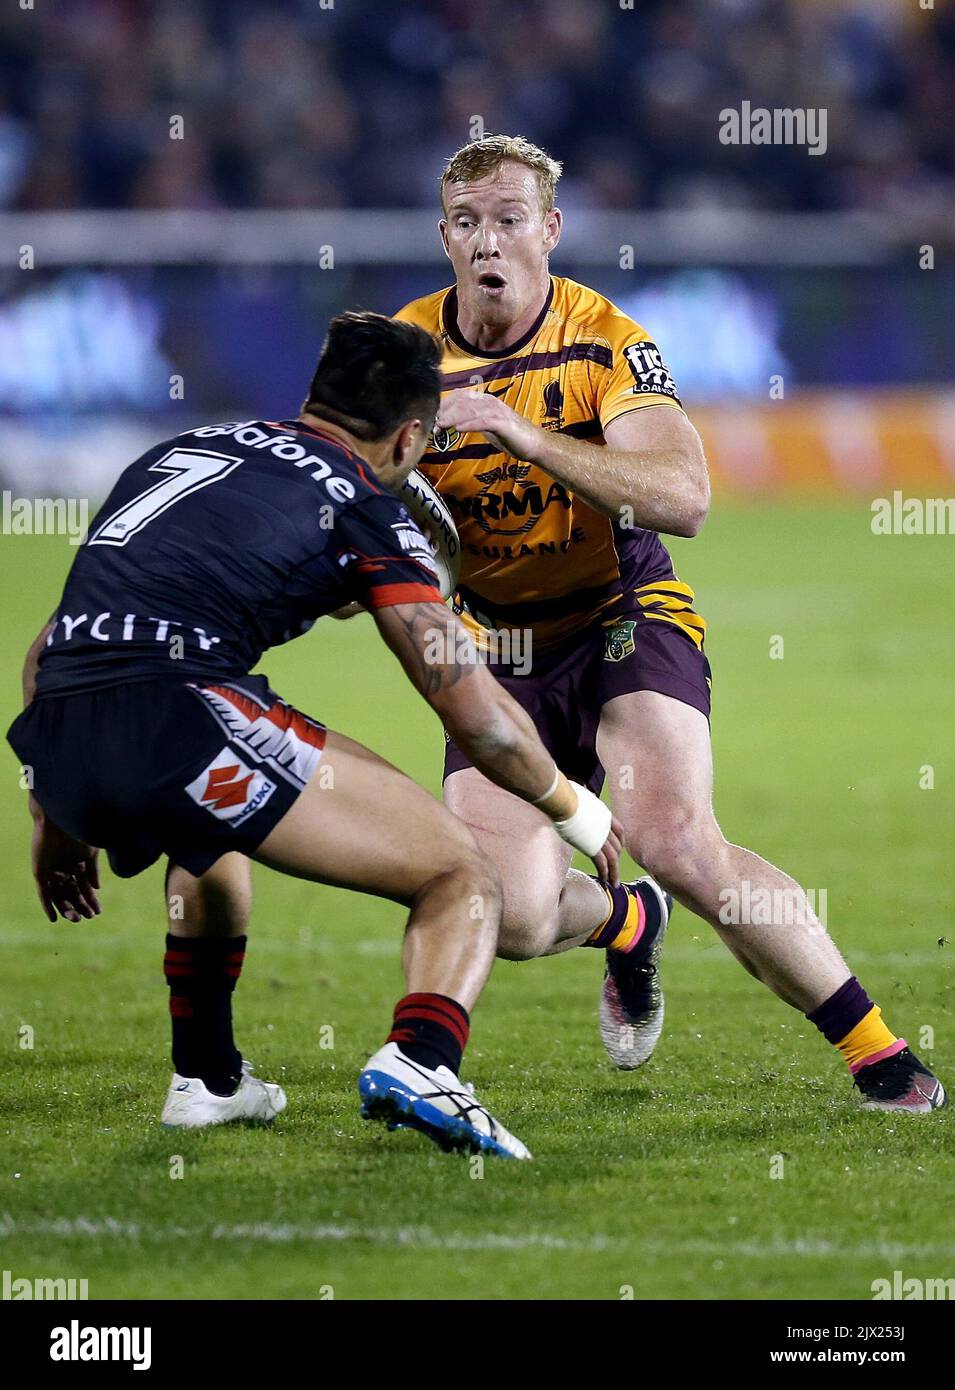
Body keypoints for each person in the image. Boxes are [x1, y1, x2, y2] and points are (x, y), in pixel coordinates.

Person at [389, 134, 944, 1114]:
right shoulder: (401, 359)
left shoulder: (607, 340)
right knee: (512, 914)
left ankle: (875, 1050)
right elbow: (343, 495)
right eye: (468, 221)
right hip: (499, 648)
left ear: (548, 231)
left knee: (676, 838)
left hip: (620, 612)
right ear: (444, 237)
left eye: (510, 219)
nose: (490, 240)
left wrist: (522, 431)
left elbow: (683, 495)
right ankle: (624, 927)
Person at [8, 310, 622, 1158]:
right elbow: (479, 719)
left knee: (207, 842)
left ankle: (209, 1081)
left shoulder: (184, 450)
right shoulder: (370, 511)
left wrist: (54, 808)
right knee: (458, 873)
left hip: (59, 728)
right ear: (410, 439)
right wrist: (572, 809)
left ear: (311, 398)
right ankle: (423, 1059)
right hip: (181, 714)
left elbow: (50, 643)